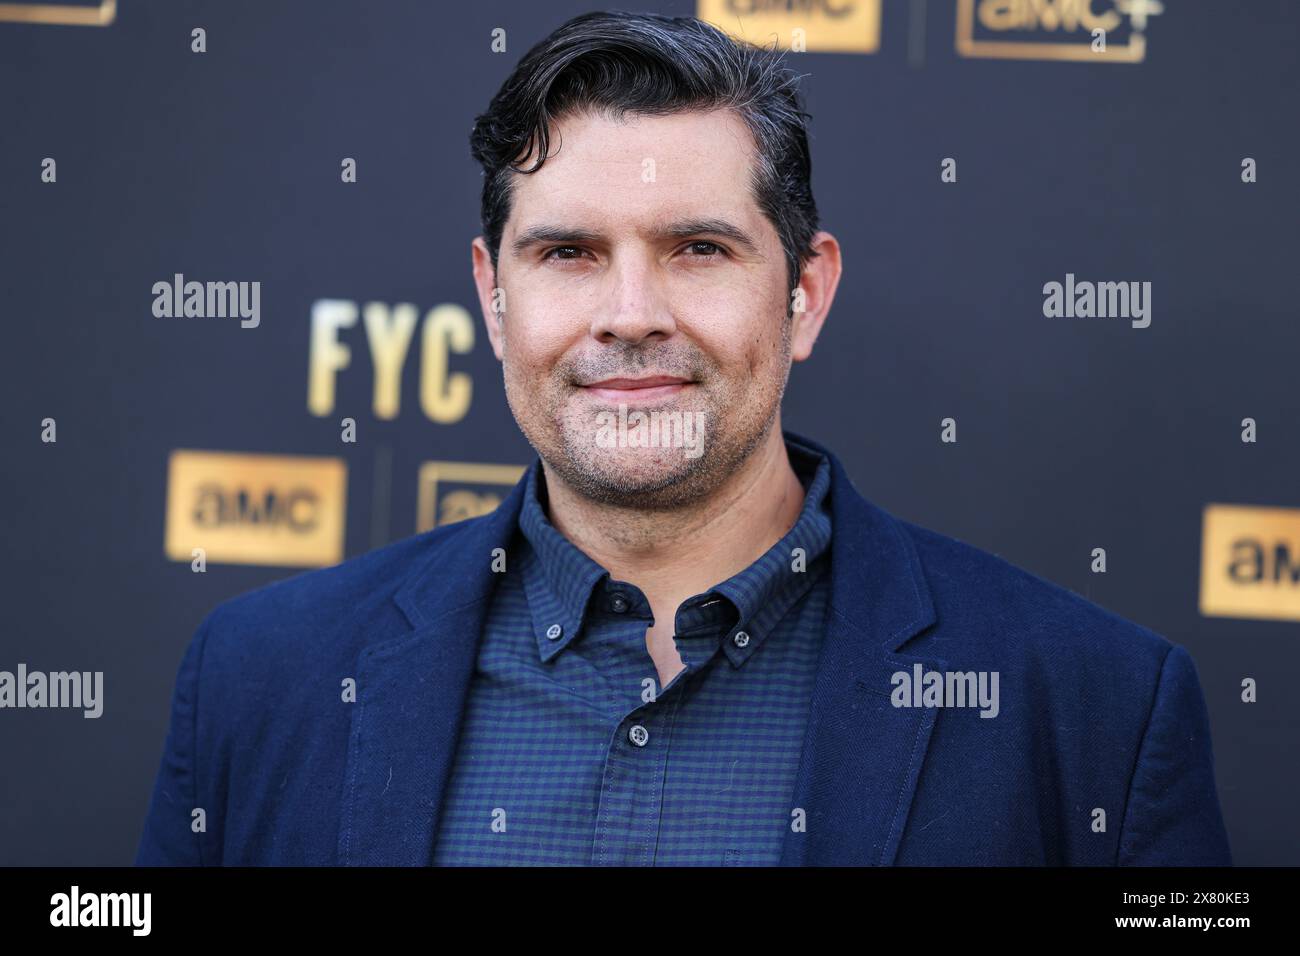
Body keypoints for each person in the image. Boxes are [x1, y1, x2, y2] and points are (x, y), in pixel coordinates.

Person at [136, 11, 1231, 866]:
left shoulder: (1093, 707)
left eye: (697, 248)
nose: (628, 312)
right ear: (493, 295)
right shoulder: (263, 676)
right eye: (566, 253)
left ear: (804, 293)